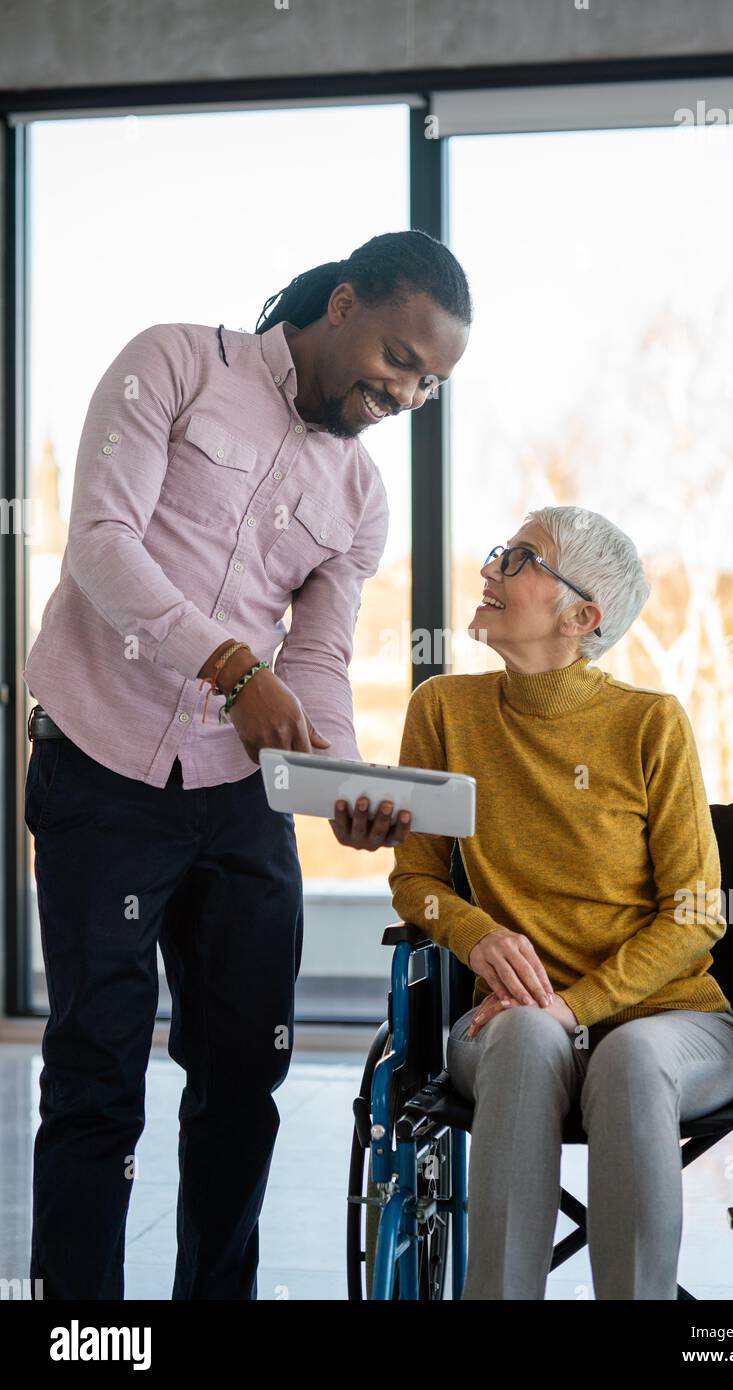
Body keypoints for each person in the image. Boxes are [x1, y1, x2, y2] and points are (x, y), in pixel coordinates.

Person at [22, 229, 471, 1300]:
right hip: (101, 768)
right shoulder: (175, 362)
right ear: (345, 304)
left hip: (238, 800)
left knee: (245, 1081)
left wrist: (345, 781)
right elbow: (99, 541)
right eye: (402, 360)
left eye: (432, 383)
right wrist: (230, 663)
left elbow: (315, 657)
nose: (408, 394)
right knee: (97, 1075)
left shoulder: (359, 498)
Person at [388, 505, 733, 1299]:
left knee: (627, 1055)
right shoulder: (443, 712)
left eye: (520, 559)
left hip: (675, 1022)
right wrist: (474, 932)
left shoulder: (648, 724)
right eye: (498, 552)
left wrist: (577, 1007)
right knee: (523, 1037)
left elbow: (696, 915)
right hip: (509, 1024)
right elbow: (414, 880)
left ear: (581, 615)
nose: (489, 569)